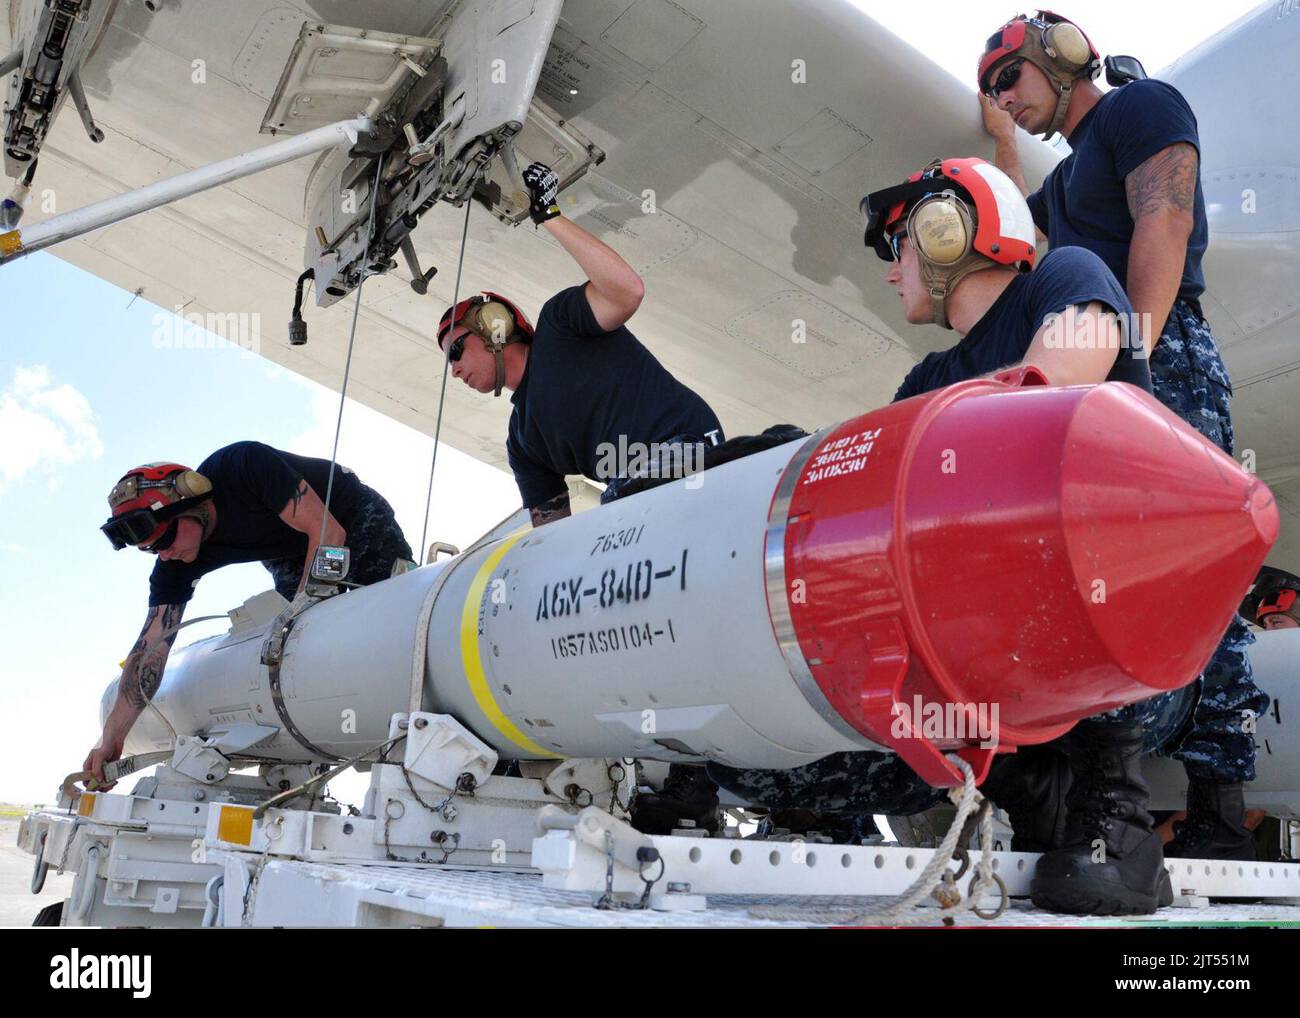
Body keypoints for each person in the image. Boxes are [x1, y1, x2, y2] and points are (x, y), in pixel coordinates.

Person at [712, 156, 1189, 915]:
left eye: (899, 245)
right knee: (785, 773)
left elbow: (1045, 405)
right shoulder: (928, 379)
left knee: (1056, 529)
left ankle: (1116, 806)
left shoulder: (1065, 280)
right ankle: (1033, 784)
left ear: (946, 233)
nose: (889, 270)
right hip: (997, 680)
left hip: (1118, 661)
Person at [977, 10, 1268, 862]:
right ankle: (1112, 789)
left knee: (1200, 572)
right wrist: (998, 139)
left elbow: (1165, 220)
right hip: (1111, 371)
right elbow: (1014, 233)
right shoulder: (1068, 181)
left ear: (1061, 61)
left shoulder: (1141, 109)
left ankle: (1222, 804)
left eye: (1010, 79)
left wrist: (1131, 359)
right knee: (1110, 572)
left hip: (1159, 353)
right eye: (992, 89)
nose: (1004, 97)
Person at [84, 442, 413, 787]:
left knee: (383, 619)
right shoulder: (175, 563)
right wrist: (111, 739)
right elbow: (149, 652)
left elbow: (329, 533)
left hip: (351, 517)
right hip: (288, 550)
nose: (163, 555)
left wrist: (305, 607)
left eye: (164, 540)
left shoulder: (243, 466)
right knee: (300, 651)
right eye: (151, 549)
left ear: (190, 503)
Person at [438, 161, 723, 528]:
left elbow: (628, 291)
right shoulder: (521, 442)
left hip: (688, 450)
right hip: (636, 490)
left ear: (494, 327)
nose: (455, 369)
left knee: (619, 506)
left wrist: (550, 215)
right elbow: (552, 530)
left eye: (456, 351)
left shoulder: (560, 325)